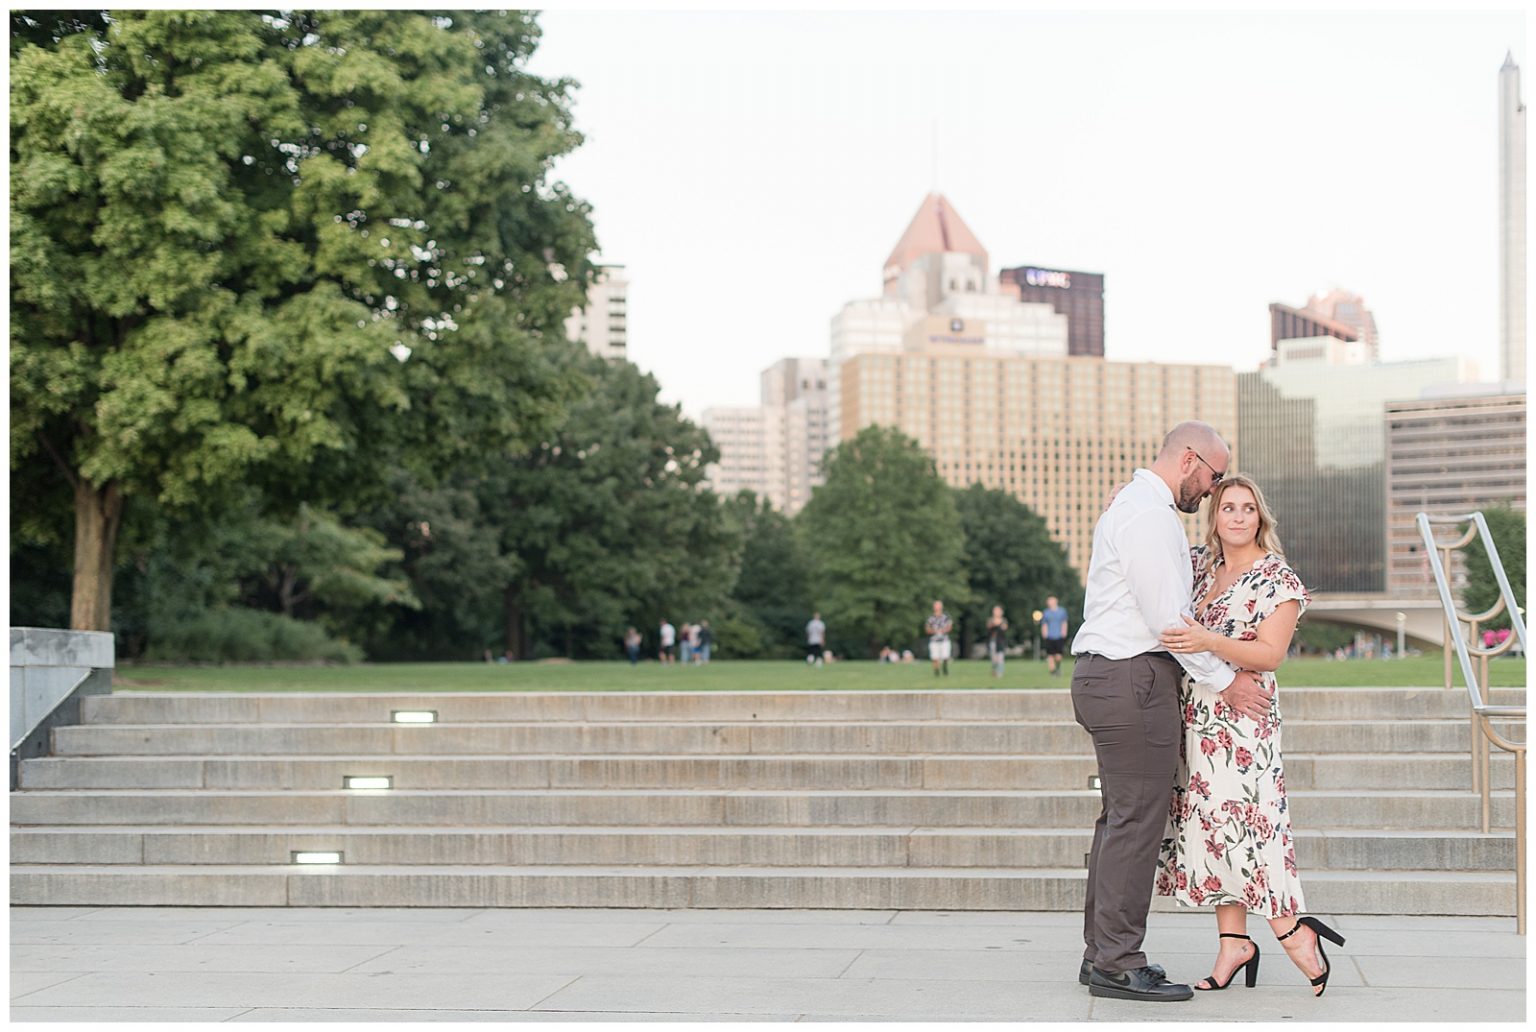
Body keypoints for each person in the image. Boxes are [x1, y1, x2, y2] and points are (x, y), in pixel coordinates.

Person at [1069, 420, 1273, 1004]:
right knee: (1135, 822)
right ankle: (1115, 961)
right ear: (1188, 460)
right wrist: (1229, 680)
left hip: (1117, 676)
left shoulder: (1137, 508)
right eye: (1211, 478)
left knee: (1121, 820)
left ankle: (1101, 953)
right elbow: (1170, 624)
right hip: (1131, 677)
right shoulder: (1149, 514)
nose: (1210, 492)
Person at [1154, 473, 1345, 998]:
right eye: (1227, 508)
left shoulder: (1277, 578)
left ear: (1260, 517)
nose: (1237, 517)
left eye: (1247, 508)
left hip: (1244, 723)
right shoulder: (1199, 566)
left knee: (1252, 827)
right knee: (1215, 829)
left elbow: (1271, 654)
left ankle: (1291, 930)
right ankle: (1233, 943)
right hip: (1198, 716)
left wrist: (1208, 639)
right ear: (1214, 517)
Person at [1041, 595, 1070, 676]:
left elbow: (1064, 622)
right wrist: (1044, 633)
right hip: (1049, 636)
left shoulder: (1062, 611)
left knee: (1058, 655)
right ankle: (1052, 671)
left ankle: (1058, 668)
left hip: (1058, 636)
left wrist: (1064, 631)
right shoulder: (1046, 612)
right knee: (1050, 655)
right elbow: (1044, 624)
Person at [925, 600, 953, 677]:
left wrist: (943, 631)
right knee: (935, 657)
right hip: (934, 640)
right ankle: (936, 672)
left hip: (944, 640)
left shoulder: (946, 617)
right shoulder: (931, 618)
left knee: (945, 656)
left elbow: (950, 627)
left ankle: (945, 667)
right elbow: (927, 629)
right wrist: (935, 631)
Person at [986, 606, 1009, 679]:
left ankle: (1000, 673)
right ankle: (994, 670)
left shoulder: (1004, 620)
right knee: (994, 658)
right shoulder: (990, 620)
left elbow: (1005, 628)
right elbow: (989, 627)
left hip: (1001, 641)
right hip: (993, 641)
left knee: (1000, 658)